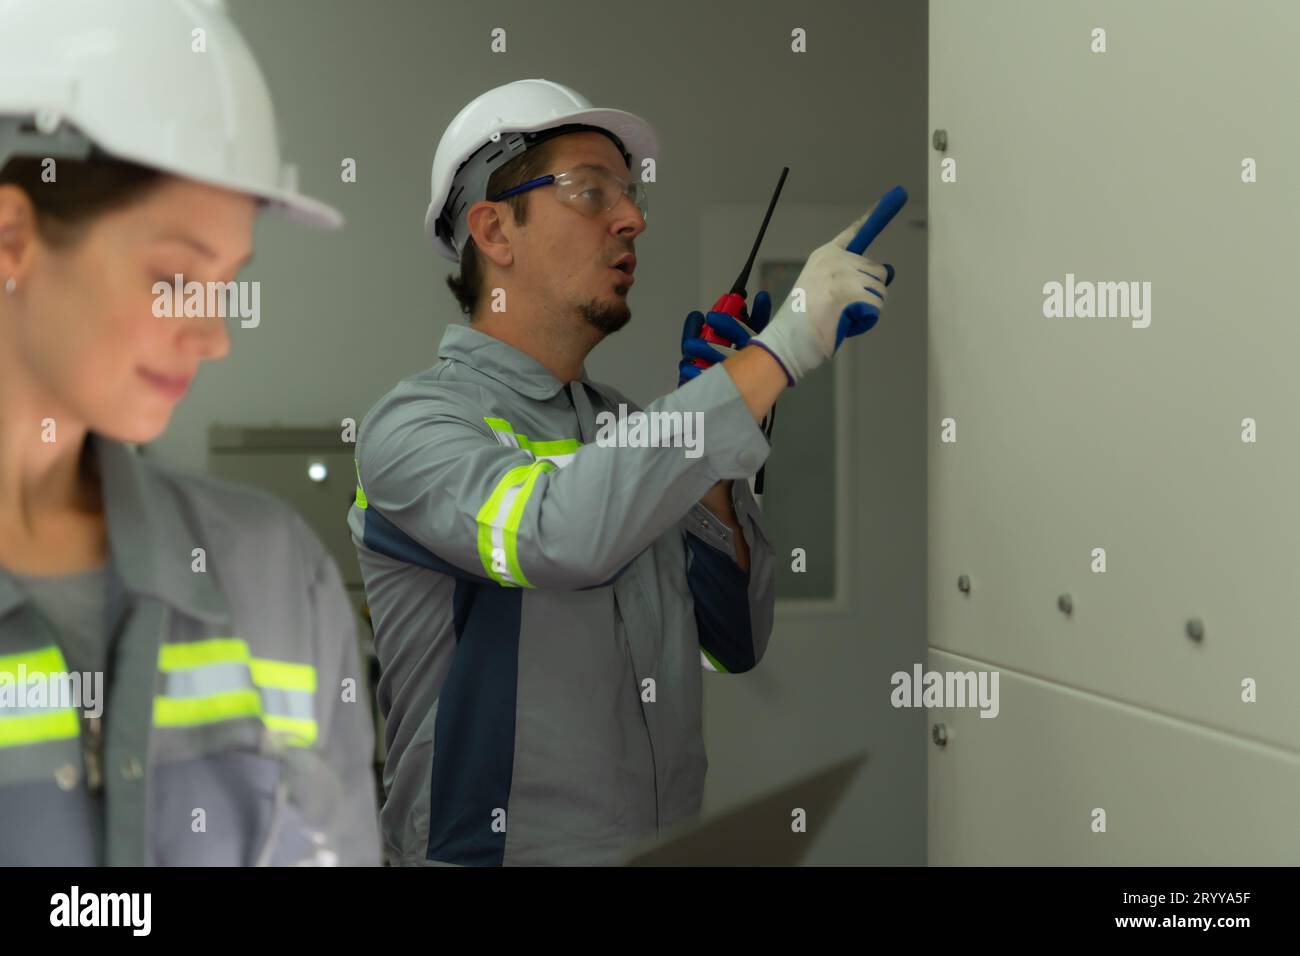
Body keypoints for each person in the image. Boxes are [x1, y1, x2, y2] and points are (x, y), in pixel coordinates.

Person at [349, 78, 893, 866]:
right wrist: (778, 353)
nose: (632, 217)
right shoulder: (414, 428)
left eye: (630, 195)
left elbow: (734, 638)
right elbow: (555, 535)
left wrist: (711, 444)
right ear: (495, 232)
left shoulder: (632, 430)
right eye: (590, 191)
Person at [0, 0, 380, 865]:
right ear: (13, 237)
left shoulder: (280, 579)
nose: (213, 335)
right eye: (175, 276)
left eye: (226, 281)